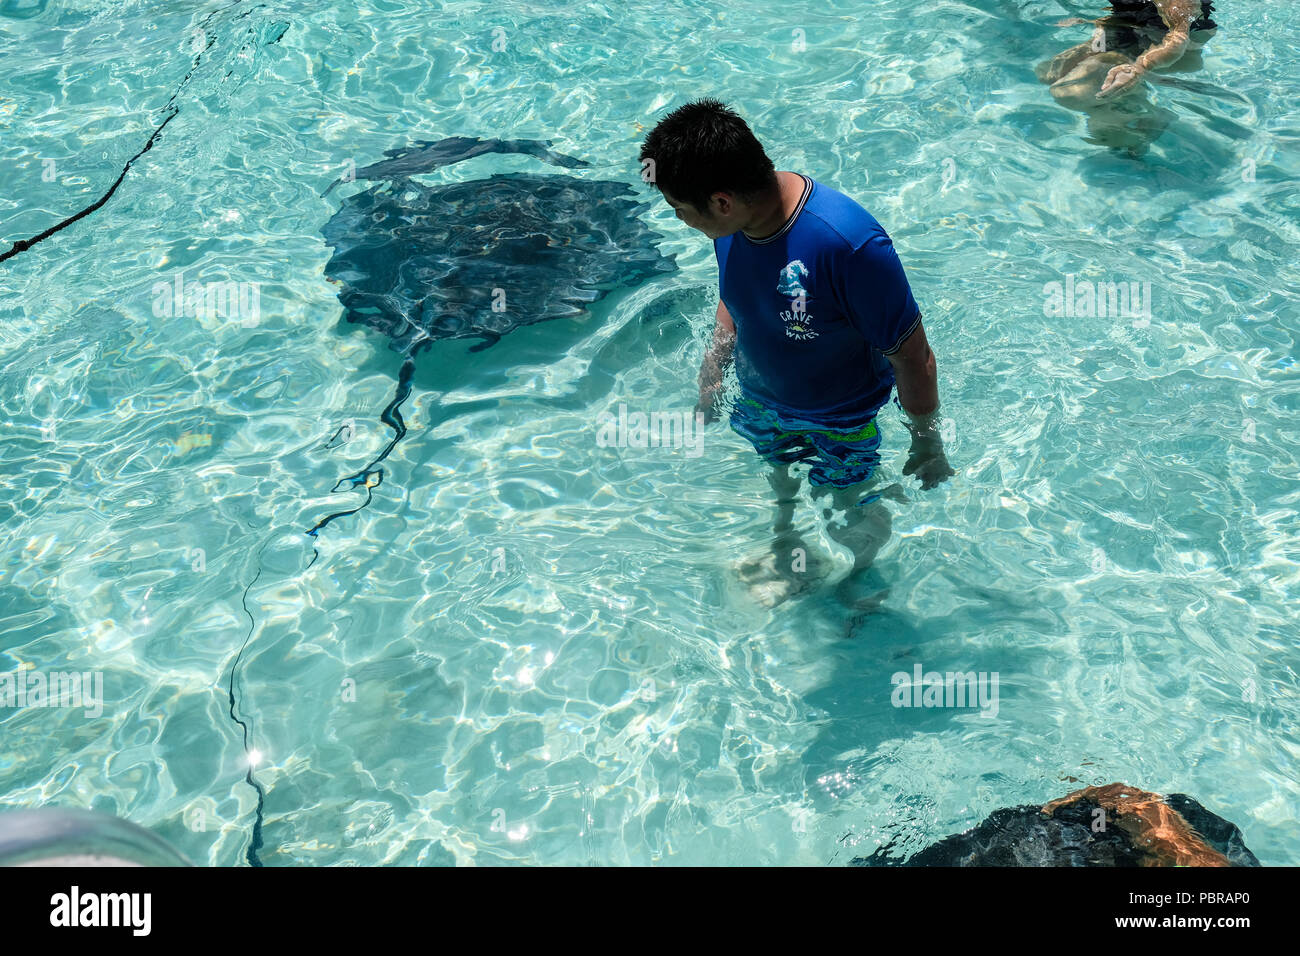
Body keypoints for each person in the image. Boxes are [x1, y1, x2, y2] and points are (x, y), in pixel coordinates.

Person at [639, 100, 952, 607]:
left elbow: (912, 355)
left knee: (849, 502)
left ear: (720, 201)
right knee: (779, 478)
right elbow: (736, 288)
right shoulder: (735, 222)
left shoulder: (848, 246)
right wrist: (713, 366)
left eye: (680, 208)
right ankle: (787, 544)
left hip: (841, 416)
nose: (678, 218)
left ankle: (867, 583)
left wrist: (926, 443)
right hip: (764, 399)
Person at [1038, 1, 1217, 150]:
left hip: (1181, 44)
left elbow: (1177, 42)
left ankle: (1142, 118)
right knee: (1050, 75)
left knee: (1078, 91)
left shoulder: (1176, 3)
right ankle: (1123, 112)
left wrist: (1138, 69)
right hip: (1136, 26)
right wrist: (1098, 25)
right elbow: (1125, 9)